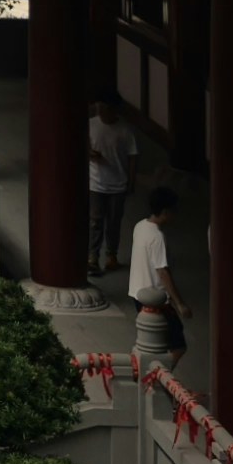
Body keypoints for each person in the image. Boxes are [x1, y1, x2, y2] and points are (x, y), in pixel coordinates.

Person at [131, 187, 186, 374]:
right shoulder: (157, 236)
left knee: (153, 343)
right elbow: (163, 272)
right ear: (165, 212)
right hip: (157, 300)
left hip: (137, 293)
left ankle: (148, 375)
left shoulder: (140, 226)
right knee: (178, 345)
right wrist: (179, 303)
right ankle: (157, 378)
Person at [85, 105, 140, 285]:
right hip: (96, 181)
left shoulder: (124, 130)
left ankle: (111, 255)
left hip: (118, 182)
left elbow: (132, 157)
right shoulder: (91, 124)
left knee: (114, 222)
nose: (101, 111)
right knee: (95, 221)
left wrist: (131, 181)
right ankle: (93, 256)